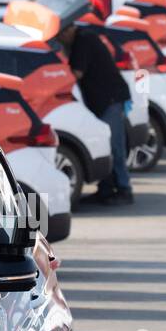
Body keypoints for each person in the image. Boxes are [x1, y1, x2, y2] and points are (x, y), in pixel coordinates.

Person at [61, 23, 133, 205]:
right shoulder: (83, 38)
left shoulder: (83, 40)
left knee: (114, 146)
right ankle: (106, 189)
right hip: (104, 100)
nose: (60, 41)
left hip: (110, 100)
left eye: (60, 37)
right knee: (106, 144)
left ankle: (124, 190)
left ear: (68, 30)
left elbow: (77, 72)